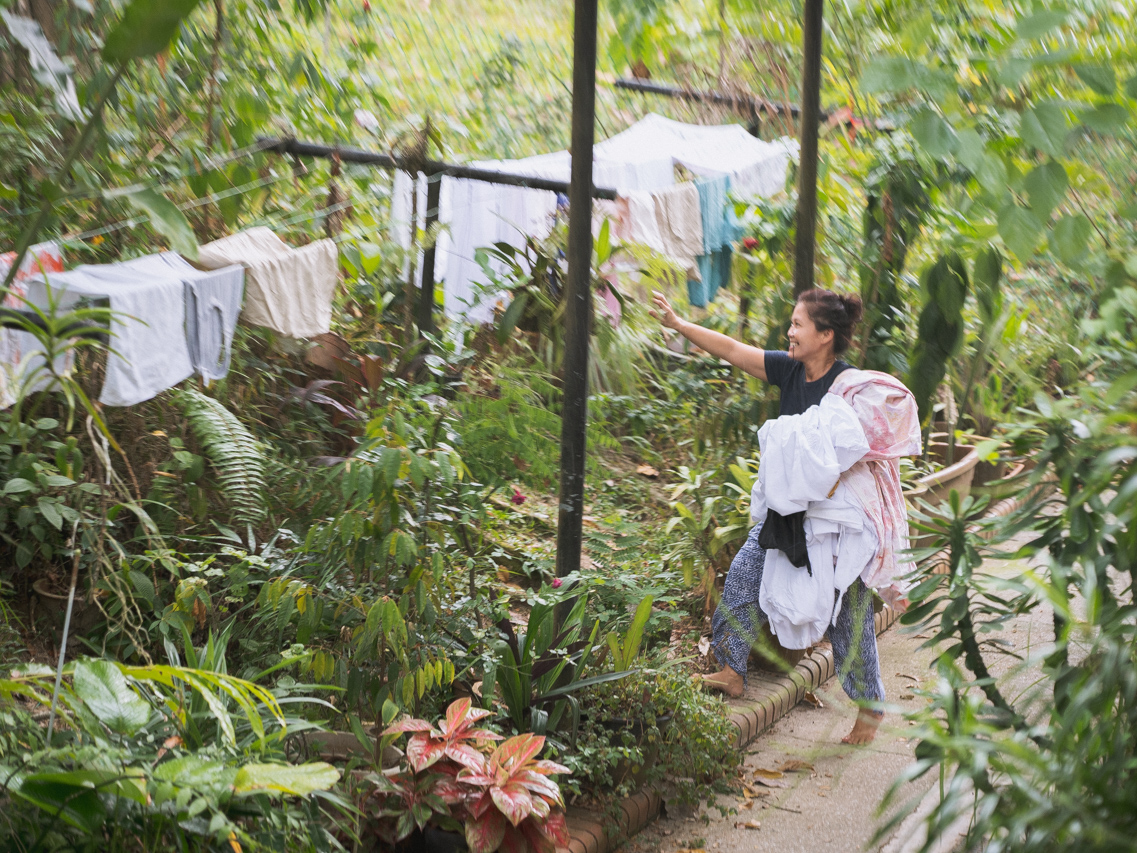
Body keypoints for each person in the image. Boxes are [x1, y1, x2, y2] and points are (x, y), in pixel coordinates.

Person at [651, 287, 889, 745]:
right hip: (787, 512)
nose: (789, 332)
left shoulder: (848, 385)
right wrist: (679, 324)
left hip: (833, 521)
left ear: (825, 335)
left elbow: (862, 446)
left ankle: (869, 704)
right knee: (742, 578)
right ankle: (731, 671)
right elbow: (732, 349)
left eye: (798, 324)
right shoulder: (789, 368)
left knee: (849, 610)